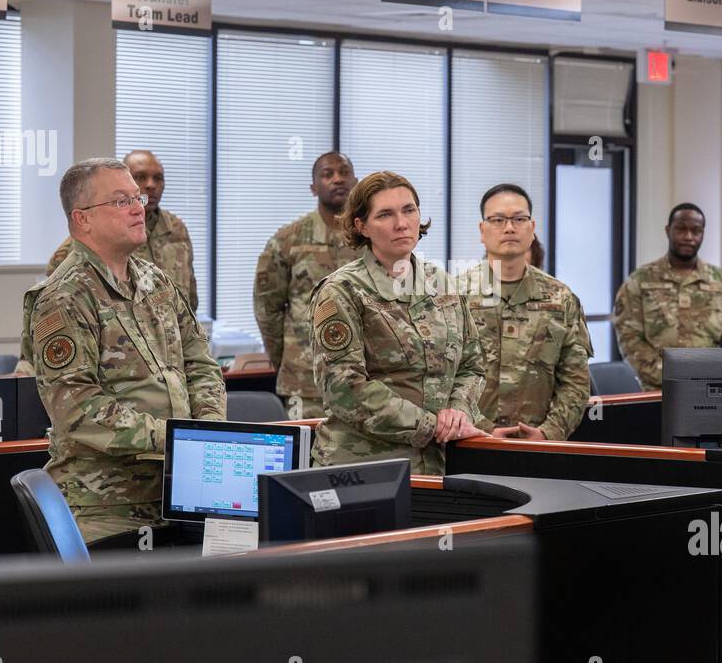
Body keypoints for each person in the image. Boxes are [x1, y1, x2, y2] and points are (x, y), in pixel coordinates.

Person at [21, 158, 226, 545]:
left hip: (180, 494)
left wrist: (207, 429)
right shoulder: (64, 297)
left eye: (137, 197)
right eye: (121, 201)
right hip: (108, 509)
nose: (139, 206)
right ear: (83, 219)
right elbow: (77, 408)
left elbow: (201, 363)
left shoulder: (155, 280)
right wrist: (177, 439)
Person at [308, 171, 485, 473]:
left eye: (409, 210)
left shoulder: (442, 282)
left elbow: (472, 364)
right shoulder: (342, 291)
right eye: (385, 215)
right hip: (365, 466)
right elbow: (345, 388)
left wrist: (458, 411)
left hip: (438, 463)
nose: (401, 223)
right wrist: (431, 427)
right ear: (360, 226)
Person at [456, 183, 592, 441]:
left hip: (539, 447)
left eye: (519, 219)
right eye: (497, 220)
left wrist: (549, 432)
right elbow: (440, 379)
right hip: (469, 443)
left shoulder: (560, 298)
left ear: (532, 228)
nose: (509, 227)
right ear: (482, 230)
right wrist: (481, 428)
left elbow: (575, 381)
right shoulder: (454, 295)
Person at [253, 152, 361, 418]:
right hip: (305, 383)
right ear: (313, 187)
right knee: (302, 454)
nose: (337, 179)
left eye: (344, 172)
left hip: (363, 382)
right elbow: (268, 309)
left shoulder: (370, 238)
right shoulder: (288, 240)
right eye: (327, 174)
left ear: (356, 182)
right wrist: (288, 360)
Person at [610, 202, 722, 389]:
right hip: (656, 390)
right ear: (668, 231)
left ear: (703, 234)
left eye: (696, 231)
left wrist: (713, 373)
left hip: (710, 387)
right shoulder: (640, 281)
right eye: (681, 229)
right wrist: (668, 375)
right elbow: (629, 337)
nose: (688, 237)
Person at [46, 149, 199, 312]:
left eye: (158, 178)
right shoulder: (91, 240)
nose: (151, 185)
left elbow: (190, 296)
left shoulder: (176, 228)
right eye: (140, 177)